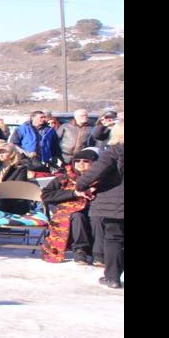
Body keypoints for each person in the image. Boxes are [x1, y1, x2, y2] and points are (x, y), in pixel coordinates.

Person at [76, 121, 123, 288]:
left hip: (116, 203)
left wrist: (80, 185)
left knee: (114, 239)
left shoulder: (114, 151)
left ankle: (112, 277)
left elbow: (95, 172)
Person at [39, 148, 98, 263]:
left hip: (93, 209)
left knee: (97, 218)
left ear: (94, 163)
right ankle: (80, 251)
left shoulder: (100, 179)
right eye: (77, 161)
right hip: (67, 212)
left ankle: (99, 254)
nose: (80, 164)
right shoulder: (64, 178)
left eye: (85, 161)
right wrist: (73, 193)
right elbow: (46, 195)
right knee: (77, 217)